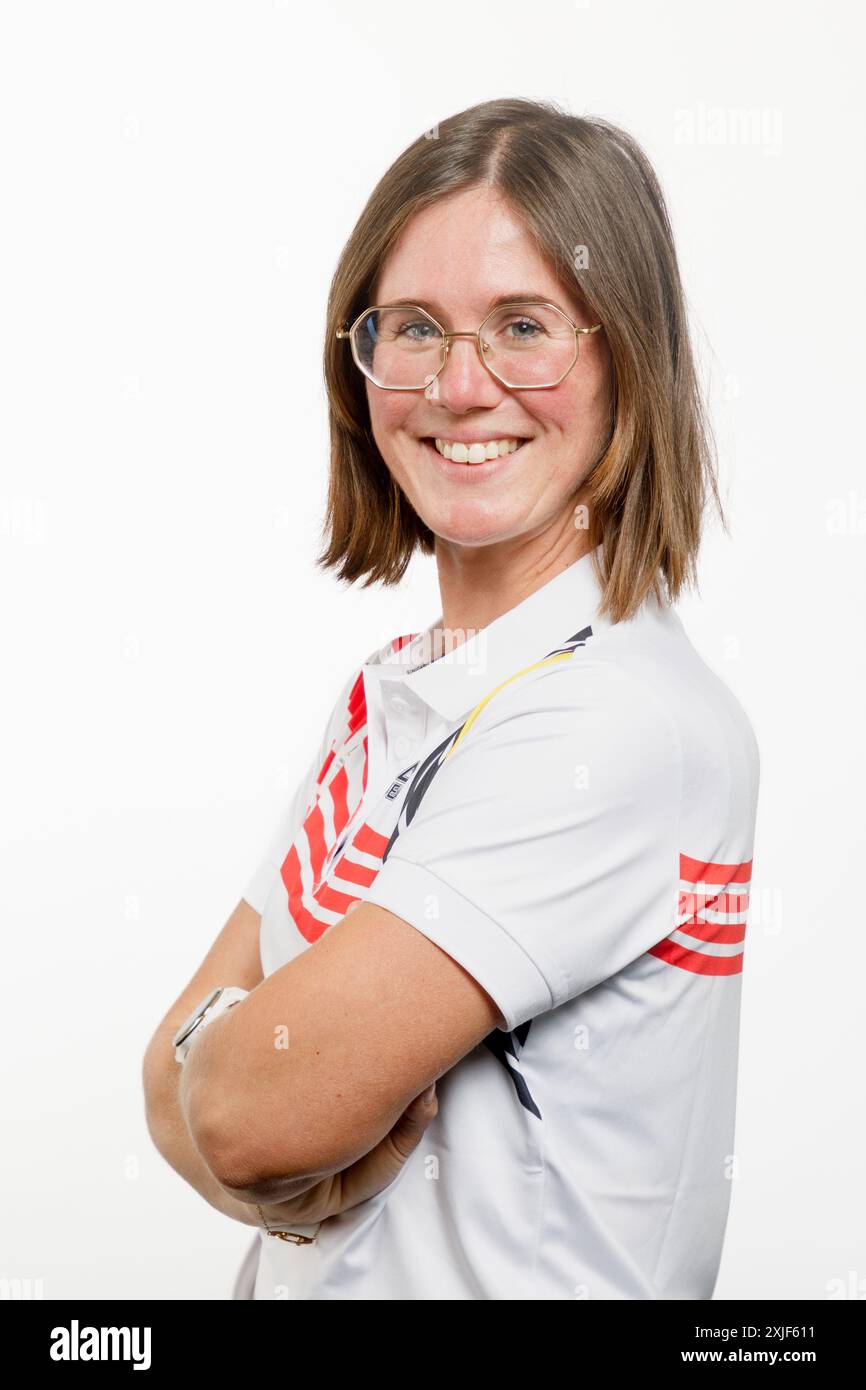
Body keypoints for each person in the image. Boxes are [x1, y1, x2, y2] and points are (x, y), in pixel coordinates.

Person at [143, 97, 760, 1301]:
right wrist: (227, 1083)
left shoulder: (614, 724)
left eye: (521, 325)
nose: (458, 385)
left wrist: (237, 1087)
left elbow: (238, 1108)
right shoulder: (399, 693)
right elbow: (177, 1097)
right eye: (413, 329)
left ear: (623, 355)